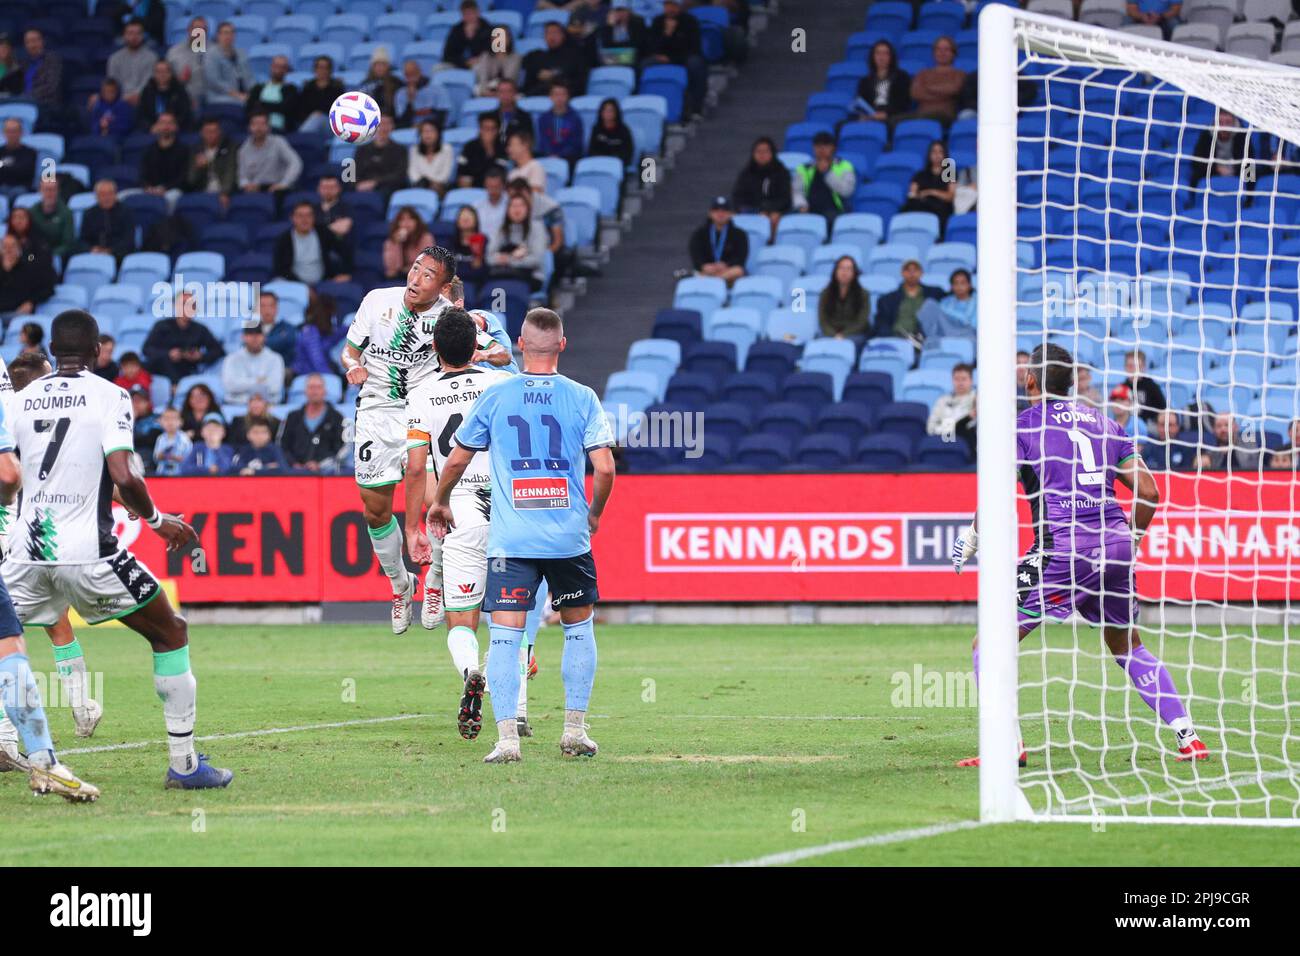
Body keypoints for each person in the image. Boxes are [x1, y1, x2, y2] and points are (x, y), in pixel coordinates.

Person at [0, 309, 233, 789]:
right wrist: (156, 520)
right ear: (97, 351)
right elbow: (123, 474)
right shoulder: (111, 395)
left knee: (6, 645)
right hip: (90, 551)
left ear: (52, 349)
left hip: (26, 551)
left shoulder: (18, 402)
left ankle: (14, 740)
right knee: (170, 633)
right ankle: (185, 766)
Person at [950, 343, 1206, 766]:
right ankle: (1188, 736)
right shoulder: (1105, 422)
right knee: (1126, 645)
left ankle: (1005, 748)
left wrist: (973, 536)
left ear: (1030, 379)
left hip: (1061, 550)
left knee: (989, 643)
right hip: (1116, 544)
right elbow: (1149, 492)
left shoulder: (1023, 427)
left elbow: (996, 492)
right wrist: (1134, 539)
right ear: (1071, 383)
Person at [424, 307, 615, 764]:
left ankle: (507, 739)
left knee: (506, 637)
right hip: (568, 538)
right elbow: (605, 467)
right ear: (562, 346)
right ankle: (574, 731)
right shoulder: (583, 396)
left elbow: (455, 459)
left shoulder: (498, 395)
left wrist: (441, 499)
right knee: (578, 629)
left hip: (512, 541)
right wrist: (593, 514)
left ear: (522, 347)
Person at [403, 310, 514, 737]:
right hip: (508, 512)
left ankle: (471, 670)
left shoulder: (422, 395)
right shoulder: (501, 384)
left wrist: (414, 527)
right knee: (509, 615)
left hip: (457, 510)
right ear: (474, 348)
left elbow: (415, 470)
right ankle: (515, 712)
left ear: (434, 349)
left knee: (461, 618)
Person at [339, 246, 456, 632]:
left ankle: (435, 583)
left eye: (427, 275)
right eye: (415, 268)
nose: (415, 278)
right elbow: (349, 352)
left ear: (442, 286)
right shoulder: (376, 301)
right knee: (374, 509)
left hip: (421, 410)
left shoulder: (448, 317)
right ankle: (400, 585)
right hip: (375, 411)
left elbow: (474, 352)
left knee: (437, 502)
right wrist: (354, 367)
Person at [0, 363, 98, 796]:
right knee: (14, 642)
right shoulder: (20, 416)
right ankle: (46, 737)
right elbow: (13, 476)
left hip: (24, 543)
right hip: (18, 541)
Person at [142, 291, 224, 382]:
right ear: (175, 306)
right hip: (160, 369)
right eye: (184, 304)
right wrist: (168, 354)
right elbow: (147, 349)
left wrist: (200, 356)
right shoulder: (162, 326)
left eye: (192, 305)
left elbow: (218, 350)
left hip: (186, 371)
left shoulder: (200, 329)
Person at [644, 0, 706, 118]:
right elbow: (652, 47)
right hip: (661, 57)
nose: (670, 9)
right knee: (644, 64)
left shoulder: (690, 21)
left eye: (673, 5)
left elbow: (694, 48)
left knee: (696, 64)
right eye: (667, 5)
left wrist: (673, 58)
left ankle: (696, 107)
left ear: (679, 6)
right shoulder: (657, 21)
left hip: (683, 57)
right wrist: (667, 34)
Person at [274, 202, 353, 285]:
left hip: (323, 283)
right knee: (267, 287)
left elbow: (345, 250)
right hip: (294, 284)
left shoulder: (323, 233)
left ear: (314, 217)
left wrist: (345, 273)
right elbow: (280, 269)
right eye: (300, 216)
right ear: (292, 218)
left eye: (309, 215)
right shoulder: (284, 240)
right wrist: (304, 288)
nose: (305, 219)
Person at [730, 135, 792, 241]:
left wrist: (767, 209)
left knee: (774, 218)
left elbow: (785, 198)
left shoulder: (781, 172)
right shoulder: (746, 173)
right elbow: (738, 197)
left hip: (774, 210)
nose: (762, 155)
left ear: (772, 153)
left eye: (765, 151)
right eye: (758, 151)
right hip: (752, 209)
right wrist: (756, 210)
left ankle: (770, 244)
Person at [279, 374, 344, 473]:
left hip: (326, 474)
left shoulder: (336, 417)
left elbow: (341, 448)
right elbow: (283, 445)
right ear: (305, 391)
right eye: (311, 387)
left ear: (325, 391)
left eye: (318, 387)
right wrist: (293, 463)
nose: (315, 391)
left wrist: (320, 464)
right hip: (294, 473)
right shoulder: (293, 417)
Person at [792, 132, 856, 224]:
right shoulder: (803, 168)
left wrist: (827, 173)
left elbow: (847, 191)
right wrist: (801, 205)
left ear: (833, 148)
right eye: (818, 146)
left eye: (825, 145)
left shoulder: (845, 166)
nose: (821, 149)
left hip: (835, 210)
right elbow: (796, 191)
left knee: (829, 218)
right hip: (808, 209)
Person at [874, 259, 943, 344]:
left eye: (915, 270)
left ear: (921, 273)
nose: (912, 273)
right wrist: (890, 338)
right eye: (908, 270)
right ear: (902, 273)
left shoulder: (934, 293)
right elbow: (881, 323)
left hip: (923, 340)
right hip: (896, 338)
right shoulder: (888, 300)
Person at [489, 192, 548, 290]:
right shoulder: (502, 228)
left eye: (521, 206)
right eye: (513, 206)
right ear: (507, 210)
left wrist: (509, 260)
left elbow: (537, 259)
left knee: (508, 288)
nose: (517, 209)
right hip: (503, 273)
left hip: (531, 275)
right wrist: (504, 258)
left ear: (528, 209)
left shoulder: (537, 227)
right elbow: (489, 257)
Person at [237, 110, 303, 199]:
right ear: (249, 127)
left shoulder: (278, 142)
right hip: (254, 190)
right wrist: (246, 184)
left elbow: (296, 163)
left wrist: (284, 184)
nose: (258, 128)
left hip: (276, 189)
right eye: (255, 124)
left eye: (262, 124)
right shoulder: (244, 149)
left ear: (268, 127)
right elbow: (242, 176)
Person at [688, 195, 747, 285]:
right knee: (698, 272)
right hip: (708, 270)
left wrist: (726, 265)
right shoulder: (700, 234)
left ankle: (714, 281)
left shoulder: (740, 234)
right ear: (710, 213)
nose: (720, 214)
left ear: (731, 214)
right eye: (716, 210)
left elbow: (741, 257)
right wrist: (704, 266)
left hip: (727, 272)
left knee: (738, 271)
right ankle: (716, 280)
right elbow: (696, 255)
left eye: (724, 211)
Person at [900, 140, 956, 233]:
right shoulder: (920, 174)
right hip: (922, 205)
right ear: (929, 154)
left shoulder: (950, 173)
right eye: (934, 152)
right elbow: (912, 193)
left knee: (942, 209)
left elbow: (950, 196)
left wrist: (930, 192)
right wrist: (919, 195)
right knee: (908, 207)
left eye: (940, 152)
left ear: (945, 154)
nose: (937, 155)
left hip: (940, 207)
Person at [221, 326, 285, 405]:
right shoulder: (231, 359)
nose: (254, 338)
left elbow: (275, 387)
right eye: (250, 334)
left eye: (258, 334)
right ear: (243, 337)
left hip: (267, 406)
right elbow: (230, 386)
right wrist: (258, 381)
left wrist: (243, 384)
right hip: (237, 404)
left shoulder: (275, 358)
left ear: (264, 337)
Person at [851, 40, 911, 125]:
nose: (881, 57)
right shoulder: (865, 81)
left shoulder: (901, 77)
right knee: (842, 125)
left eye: (885, 53)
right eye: (878, 53)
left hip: (892, 117)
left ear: (891, 57)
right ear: (873, 57)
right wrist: (867, 115)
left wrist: (886, 114)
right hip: (871, 116)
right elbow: (861, 103)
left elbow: (904, 104)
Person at [909, 36, 965, 126]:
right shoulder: (923, 73)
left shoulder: (959, 74)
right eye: (938, 49)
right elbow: (915, 93)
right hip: (920, 114)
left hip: (945, 115)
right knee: (895, 120)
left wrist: (927, 88)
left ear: (953, 53)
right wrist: (942, 94)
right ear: (934, 53)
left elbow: (953, 90)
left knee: (926, 119)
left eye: (946, 49)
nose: (942, 53)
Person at [522, 21, 588, 97]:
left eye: (555, 33)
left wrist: (554, 76)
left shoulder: (575, 56)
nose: (551, 36)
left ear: (563, 35)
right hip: (539, 96)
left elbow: (579, 82)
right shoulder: (535, 56)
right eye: (548, 33)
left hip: (567, 96)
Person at [138, 112, 190, 208]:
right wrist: (148, 187)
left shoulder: (184, 150)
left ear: (175, 127)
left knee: (168, 200)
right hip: (151, 189)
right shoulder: (149, 150)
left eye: (169, 123)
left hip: (173, 190)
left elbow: (184, 178)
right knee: (124, 196)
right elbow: (142, 174)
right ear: (157, 126)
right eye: (162, 123)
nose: (166, 127)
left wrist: (164, 188)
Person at [78, 179, 136, 262]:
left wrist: (110, 251)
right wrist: (92, 249)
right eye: (103, 194)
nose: (107, 198)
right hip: (94, 255)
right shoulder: (89, 213)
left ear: (116, 195)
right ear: (96, 196)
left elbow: (128, 240)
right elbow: (82, 240)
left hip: (119, 256)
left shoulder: (126, 212)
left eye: (110, 193)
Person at [0, 233, 55, 317]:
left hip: (19, 316)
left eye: (12, 246)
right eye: (5, 246)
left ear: (19, 249)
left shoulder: (29, 268)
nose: (9, 250)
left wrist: (31, 302)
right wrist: (5, 271)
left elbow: (48, 288)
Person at [185, 115, 238, 201]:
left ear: (219, 132)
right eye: (207, 132)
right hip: (202, 192)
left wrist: (225, 193)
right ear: (201, 133)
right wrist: (199, 168)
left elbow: (230, 172)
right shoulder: (195, 150)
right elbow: (191, 180)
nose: (210, 135)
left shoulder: (230, 147)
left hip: (224, 192)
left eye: (214, 131)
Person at [818, 255, 870, 340]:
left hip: (855, 334)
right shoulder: (825, 294)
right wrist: (834, 335)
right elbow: (823, 321)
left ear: (854, 273)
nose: (844, 272)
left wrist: (844, 335)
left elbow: (862, 322)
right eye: (841, 268)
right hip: (831, 334)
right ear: (835, 271)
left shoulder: (863, 294)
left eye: (848, 269)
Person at [107, 19, 157, 105]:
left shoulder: (152, 57)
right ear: (124, 36)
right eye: (130, 33)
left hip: (143, 100)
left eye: (138, 33)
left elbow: (149, 82)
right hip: (119, 100)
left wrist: (136, 95)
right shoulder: (114, 58)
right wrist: (124, 97)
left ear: (143, 36)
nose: (134, 37)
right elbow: (113, 82)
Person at [536, 80, 584, 172]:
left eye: (563, 94)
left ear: (568, 96)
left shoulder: (575, 118)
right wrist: (550, 154)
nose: (559, 98)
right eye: (556, 94)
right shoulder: (543, 118)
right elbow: (543, 140)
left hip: (568, 159)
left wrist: (560, 155)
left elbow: (576, 143)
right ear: (550, 97)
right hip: (547, 157)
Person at [918, 267, 976, 341]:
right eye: (956, 283)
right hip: (946, 332)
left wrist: (951, 316)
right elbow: (940, 320)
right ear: (951, 286)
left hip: (967, 333)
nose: (959, 287)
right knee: (929, 304)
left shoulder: (977, 301)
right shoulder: (946, 301)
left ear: (969, 285)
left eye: (962, 283)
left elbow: (971, 323)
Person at [292, 294, 344, 378]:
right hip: (305, 377)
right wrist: (334, 379)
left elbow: (336, 336)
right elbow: (318, 362)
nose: (334, 318)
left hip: (321, 375)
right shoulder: (309, 331)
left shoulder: (323, 332)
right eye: (332, 315)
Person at [354, 115, 406, 197]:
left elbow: (399, 175)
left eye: (387, 124)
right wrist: (357, 184)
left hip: (387, 189)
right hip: (362, 188)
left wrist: (375, 183)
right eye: (380, 124)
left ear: (393, 126)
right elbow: (354, 172)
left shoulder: (400, 150)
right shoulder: (362, 149)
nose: (383, 128)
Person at [246, 54, 299, 134]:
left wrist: (261, 104)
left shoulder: (291, 89)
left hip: (277, 129)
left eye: (283, 67)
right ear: (271, 67)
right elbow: (249, 107)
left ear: (286, 70)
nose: (279, 69)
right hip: (256, 128)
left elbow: (285, 108)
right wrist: (275, 107)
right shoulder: (258, 88)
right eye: (276, 66)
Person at [204, 21, 252, 106]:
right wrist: (237, 95)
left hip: (242, 94)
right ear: (218, 35)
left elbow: (248, 76)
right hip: (220, 96)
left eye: (231, 33)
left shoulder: (241, 53)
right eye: (225, 33)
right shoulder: (211, 54)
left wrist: (253, 93)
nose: (229, 36)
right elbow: (214, 81)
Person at [136, 58, 191, 131]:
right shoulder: (147, 91)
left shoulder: (179, 90)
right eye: (158, 72)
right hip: (153, 129)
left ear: (171, 73)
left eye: (165, 71)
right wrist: (150, 127)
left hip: (175, 129)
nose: (162, 74)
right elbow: (141, 115)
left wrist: (173, 125)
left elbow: (185, 113)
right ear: (154, 74)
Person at [383, 206, 435, 281]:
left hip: (420, 277)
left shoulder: (425, 238)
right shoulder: (391, 241)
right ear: (397, 224)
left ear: (417, 222)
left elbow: (426, 263)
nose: (406, 223)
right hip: (397, 278)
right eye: (402, 220)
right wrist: (397, 244)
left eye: (410, 219)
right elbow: (391, 269)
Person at [29, 178, 75, 263]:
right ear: (40, 191)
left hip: (57, 256)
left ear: (58, 191)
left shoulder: (66, 213)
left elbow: (68, 243)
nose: (49, 193)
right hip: (35, 255)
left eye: (53, 189)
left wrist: (50, 254)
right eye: (46, 189)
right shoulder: (32, 211)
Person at [394, 59, 449, 130]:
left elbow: (443, 115)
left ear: (420, 72)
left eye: (413, 73)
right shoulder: (401, 93)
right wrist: (410, 101)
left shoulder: (437, 89)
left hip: (435, 129)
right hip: (411, 131)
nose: (411, 78)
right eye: (407, 75)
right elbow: (402, 121)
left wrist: (425, 126)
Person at [927, 363, 976, 440]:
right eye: (956, 379)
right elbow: (931, 429)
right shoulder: (942, 401)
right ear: (952, 380)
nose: (960, 383)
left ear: (971, 381)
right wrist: (950, 428)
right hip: (945, 442)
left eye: (964, 379)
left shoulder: (977, 399)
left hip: (968, 443)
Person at [296, 56, 344, 133]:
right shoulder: (308, 87)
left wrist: (320, 113)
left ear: (330, 70)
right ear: (315, 69)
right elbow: (300, 111)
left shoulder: (337, 87)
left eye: (326, 68)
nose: (323, 71)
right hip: (310, 122)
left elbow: (340, 112)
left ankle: (301, 138)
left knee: (317, 118)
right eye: (320, 67)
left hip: (330, 125)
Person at [485, 77, 534, 152]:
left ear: (515, 93)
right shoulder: (489, 117)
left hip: (517, 156)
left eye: (509, 91)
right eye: (502, 92)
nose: (505, 95)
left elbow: (528, 143)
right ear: (497, 94)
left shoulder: (524, 117)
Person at [20, 29, 64, 109]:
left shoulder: (52, 59)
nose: (32, 45)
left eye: (34, 41)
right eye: (28, 42)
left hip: (45, 104)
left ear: (42, 41)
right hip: (23, 103)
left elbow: (51, 86)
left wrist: (27, 96)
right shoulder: (23, 63)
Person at [457, 113, 504, 188]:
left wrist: (489, 148)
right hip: (471, 187)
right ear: (480, 129)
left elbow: (502, 173)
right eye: (485, 128)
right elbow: (461, 171)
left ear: (497, 131)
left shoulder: (503, 149)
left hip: (495, 188)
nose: (489, 132)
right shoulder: (469, 147)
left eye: (492, 129)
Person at [444, 0, 494, 70]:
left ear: (478, 13)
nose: (469, 17)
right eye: (465, 14)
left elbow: (490, 53)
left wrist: (472, 38)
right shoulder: (456, 30)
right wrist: (464, 62)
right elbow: (447, 55)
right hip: (459, 63)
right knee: (438, 68)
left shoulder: (488, 29)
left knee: (479, 68)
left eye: (471, 13)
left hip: (480, 63)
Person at [452, 205, 489, 298]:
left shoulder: (483, 240)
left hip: (477, 286)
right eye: (462, 215)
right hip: (455, 285)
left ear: (476, 220)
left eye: (469, 215)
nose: (465, 218)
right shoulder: (451, 242)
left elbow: (483, 269)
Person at [587, 97, 635, 170]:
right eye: (605, 110)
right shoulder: (596, 129)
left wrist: (614, 162)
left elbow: (628, 152)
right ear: (601, 113)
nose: (608, 113)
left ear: (616, 113)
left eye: (611, 111)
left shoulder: (624, 130)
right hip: (599, 165)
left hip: (618, 166)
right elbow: (591, 150)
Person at [473, 23, 521, 95]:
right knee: (476, 89)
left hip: (508, 92)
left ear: (509, 39)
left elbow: (509, 78)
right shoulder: (485, 56)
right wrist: (487, 92)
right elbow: (483, 79)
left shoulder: (516, 58)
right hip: (488, 91)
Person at [597, 0, 648, 66]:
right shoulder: (607, 27)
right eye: (617, 11)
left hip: (633, 57)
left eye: (623, 10)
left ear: (628, 11)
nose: (620, 13)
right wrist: (610, 27)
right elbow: (605, 45)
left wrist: (624, 27)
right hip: (612, 57)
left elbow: (639, 45)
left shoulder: (637, 24)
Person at [254, 290, 297, 367]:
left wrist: (257, 342)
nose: (267, 310)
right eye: (262, 306)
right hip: (255, 368)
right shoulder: (252, 327)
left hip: (283, 369)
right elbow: (245, 347)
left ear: (277, 307)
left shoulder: (288, 327)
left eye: (271, 305)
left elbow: (282, 343)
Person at [408, 120, 454, 193]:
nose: (428, 134)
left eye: (431, 131)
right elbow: (412, 173)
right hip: (419, 186)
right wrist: (424, 183)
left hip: (441, 187)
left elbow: (446, 174)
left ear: (438, 133)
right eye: (424, 131)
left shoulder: (447, 149)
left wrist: (432, 183)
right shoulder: (414, 150)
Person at [1123, 350, 1166, 423]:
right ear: (1125, 367)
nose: (1133, 370)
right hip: (1128, 426)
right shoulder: (1122, 387)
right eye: (1130, 366)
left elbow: (1163, 409)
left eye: (1137, 366)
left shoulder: (1151, 386)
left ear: (1143, 367)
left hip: (1150, 425)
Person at [0, 118, 36, 202]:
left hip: (22, 188)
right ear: (4, 133)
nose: (11, 134)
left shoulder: (30, 152)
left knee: (16, 193)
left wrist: (3, 165)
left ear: (21, 133)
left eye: (14, 131)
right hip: (2, 187)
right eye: (8, 131)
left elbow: (23, 171)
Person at [315, 174, 355, 244]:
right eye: (324, 187)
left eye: (332, 187)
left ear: (339, 188)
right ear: (318, 189)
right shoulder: (312, 209)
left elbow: (343, 228)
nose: (328, 190)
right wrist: (333, 228)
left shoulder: (346, 208)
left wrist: (317, 231)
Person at [152, 406, 192, 476]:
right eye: (166, 419)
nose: (170, 422)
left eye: (173, 419)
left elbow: (190, 460)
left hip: (180, 474)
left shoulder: (185, 438)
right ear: (160, 422)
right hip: (162, 473)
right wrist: (160, 456)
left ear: (181, 422)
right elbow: (155, 458)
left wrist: (175, 457)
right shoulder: (160, 438)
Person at [474, 165, 509, 239]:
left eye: (496, 187)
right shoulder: (476, 206)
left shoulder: (511, 204)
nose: (493, 191)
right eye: (490, 187)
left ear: (503, 186)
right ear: (485, 185)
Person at [363, 47, 400, 118]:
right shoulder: (365, 84)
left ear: (388, 66)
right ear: (372, 67)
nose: (380, 67)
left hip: (392, 122)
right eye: (377, 64)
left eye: (383, 64)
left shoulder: (397, 83)